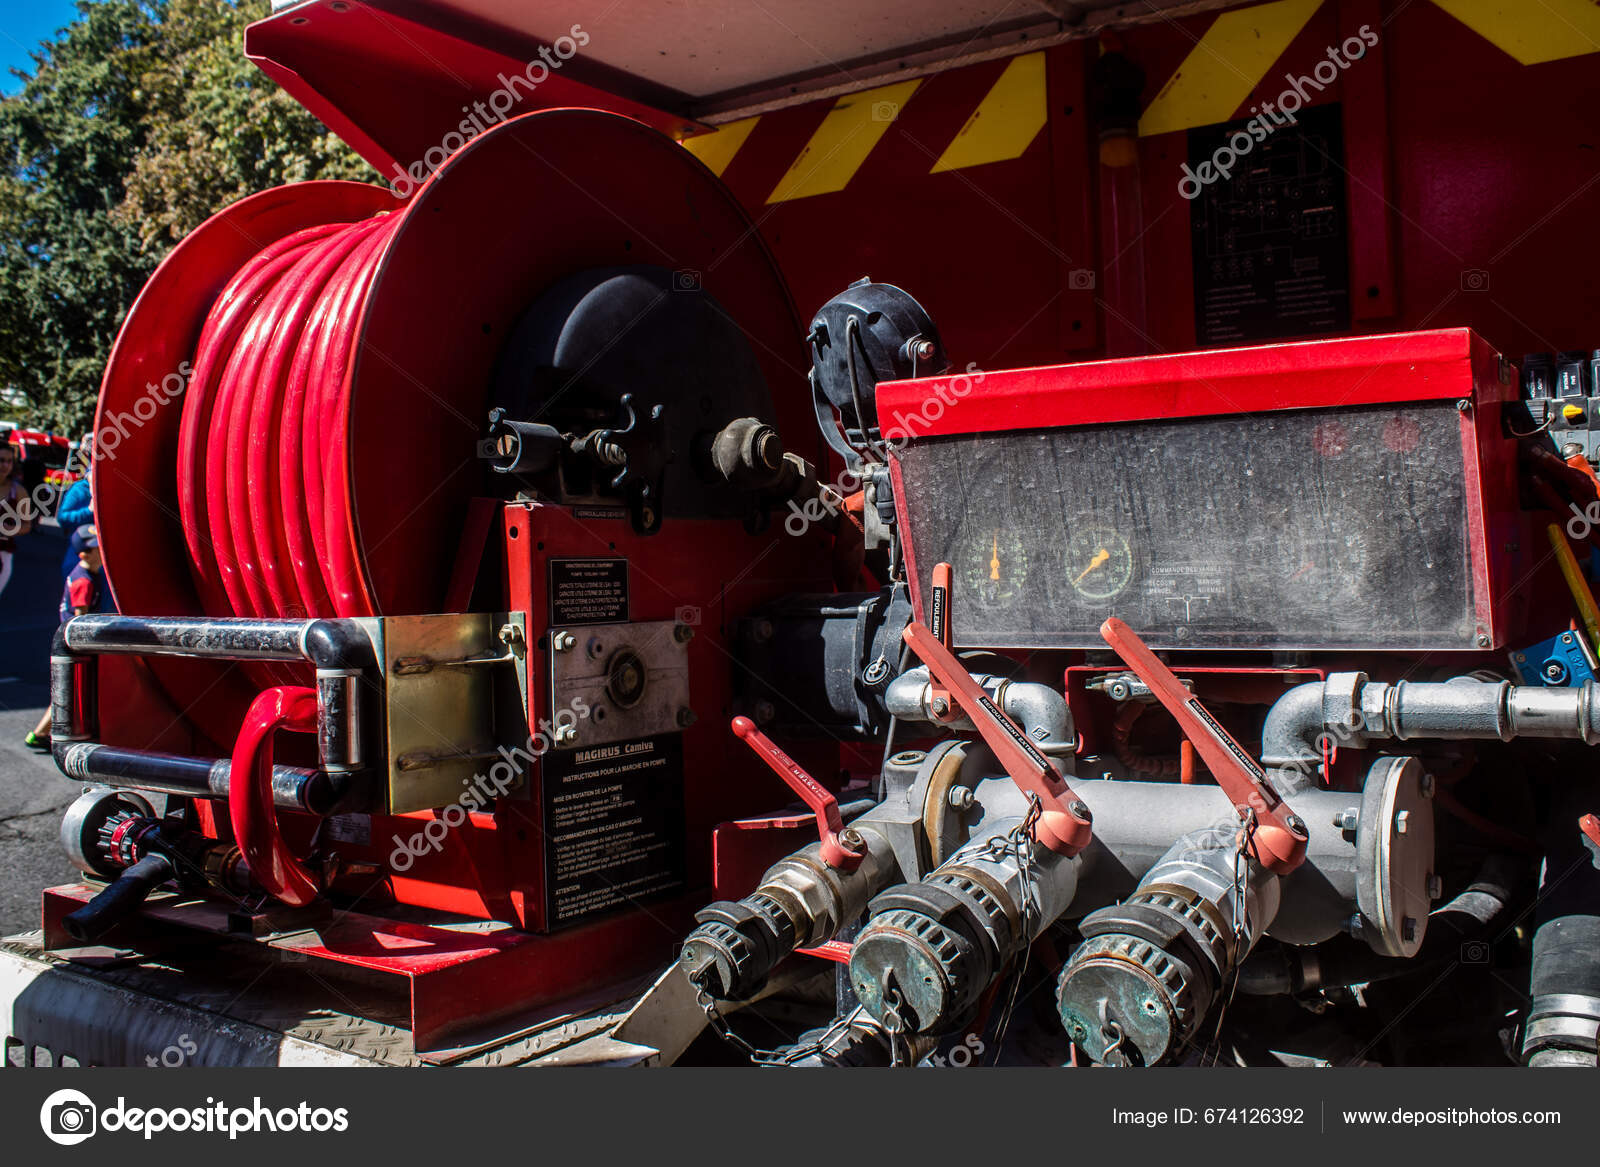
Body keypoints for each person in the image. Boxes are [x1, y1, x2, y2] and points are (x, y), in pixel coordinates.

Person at [25, 525, 103, 751]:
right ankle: (41, 734)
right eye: (97, 548)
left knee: (65, 693)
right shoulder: (84, 582)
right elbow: (81, 618)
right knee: (66, 693)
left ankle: (41, 733)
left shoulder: (86, 574)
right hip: (74, 647)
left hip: (70, 645)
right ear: (84, 554)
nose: (101, 551)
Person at [0, 442, 35, 602]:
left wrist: (8, 528)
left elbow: (26, 525)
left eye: (9, 461)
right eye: (1, 460)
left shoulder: (18, 491)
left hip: (3, 553)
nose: (5, 465)